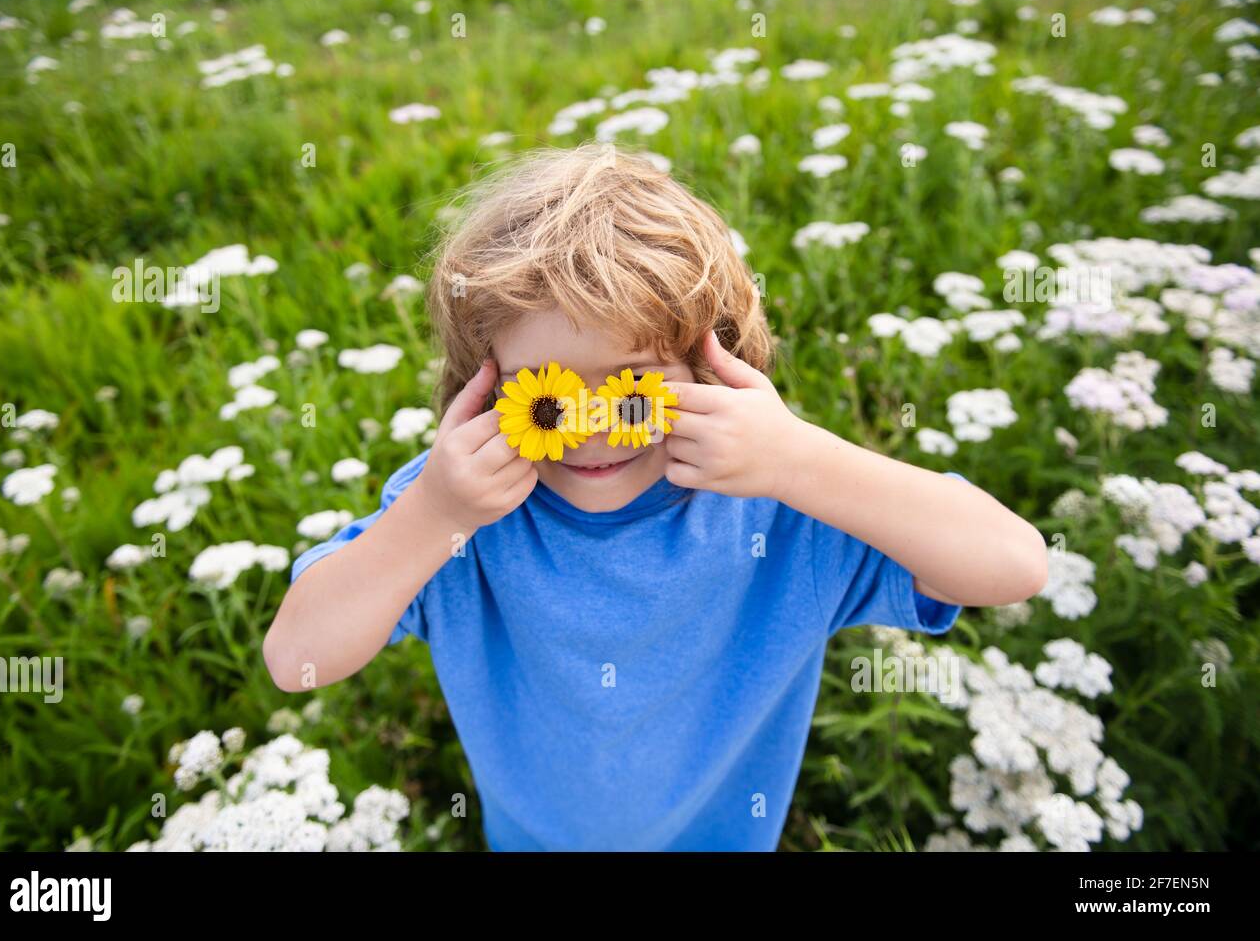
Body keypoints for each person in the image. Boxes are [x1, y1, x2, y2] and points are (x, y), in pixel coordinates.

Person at [263, 143, 1048, 851]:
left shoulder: (782, 508)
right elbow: (295, 660)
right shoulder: (458, 513)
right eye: (550, 399)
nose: (594, 436)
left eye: (635, 391)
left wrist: (802, 462)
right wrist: (430, 516)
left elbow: (1013, 566)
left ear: (718, 372)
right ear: (483, 386)